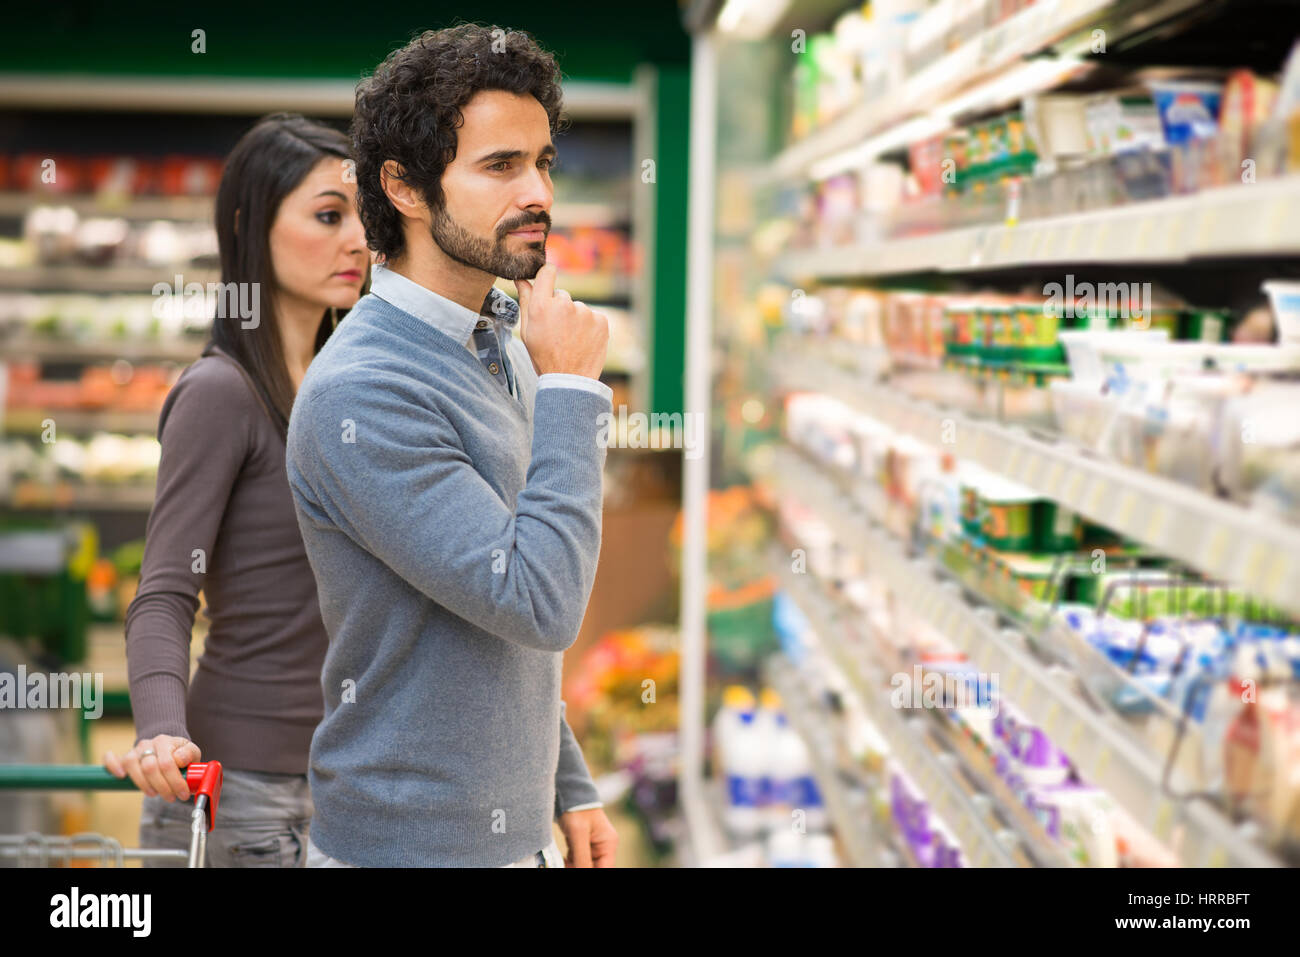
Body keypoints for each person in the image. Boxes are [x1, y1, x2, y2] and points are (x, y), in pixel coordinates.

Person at [286, 24, 619, 868]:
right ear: (402, 186)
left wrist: (564, 783)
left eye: (543, 162)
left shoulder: (502, 337)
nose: (537, 191)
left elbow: (493, 622)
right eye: (500, 165)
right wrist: (575, 391)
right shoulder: (363, 390)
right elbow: (537, 599)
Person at [104, 113, 369, 866]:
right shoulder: (222, 392)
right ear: (251, 225)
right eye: (328, 215)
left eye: (363, 217)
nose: (357, 239)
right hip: (239, 797)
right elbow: (164, 591)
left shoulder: (345, 391)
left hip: (349, 787)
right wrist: (159, 727)